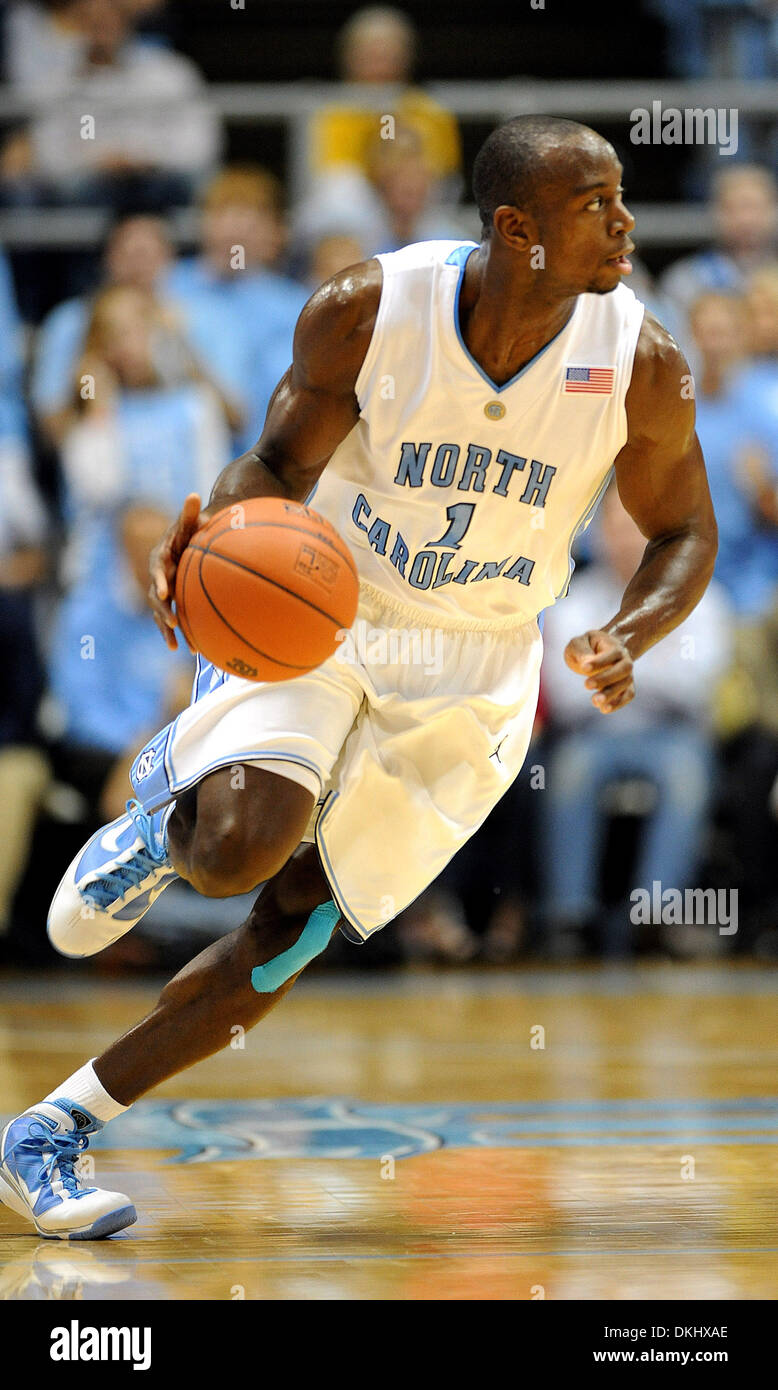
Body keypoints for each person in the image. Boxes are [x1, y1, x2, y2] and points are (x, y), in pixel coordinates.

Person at [0, 115, 718, 1240]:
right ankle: (160, 827)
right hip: (331, 606)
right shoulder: (369, 310)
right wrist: (214, 535)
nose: (626, 223)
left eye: (622, 196)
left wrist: (631, 628)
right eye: (596, 204)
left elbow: (682, 533)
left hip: (476, 660)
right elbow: (276, 463)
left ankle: (50, 1127)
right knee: (236, 848)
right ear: (516, 228)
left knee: (289, 929)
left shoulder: (642, 362)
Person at [540, 482, 731, 957]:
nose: (626, 539)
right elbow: (563, 695)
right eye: (616, 527)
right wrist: (650, 667)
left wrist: (616, 671)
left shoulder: (696, 593)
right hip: (592, 734)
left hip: (673, 736)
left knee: (687, 775)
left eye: (635, 527)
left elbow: (700, 684)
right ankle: (570, 916)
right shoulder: (572, 601)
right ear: (597, 534)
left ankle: (657, 913)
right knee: (567, 773)